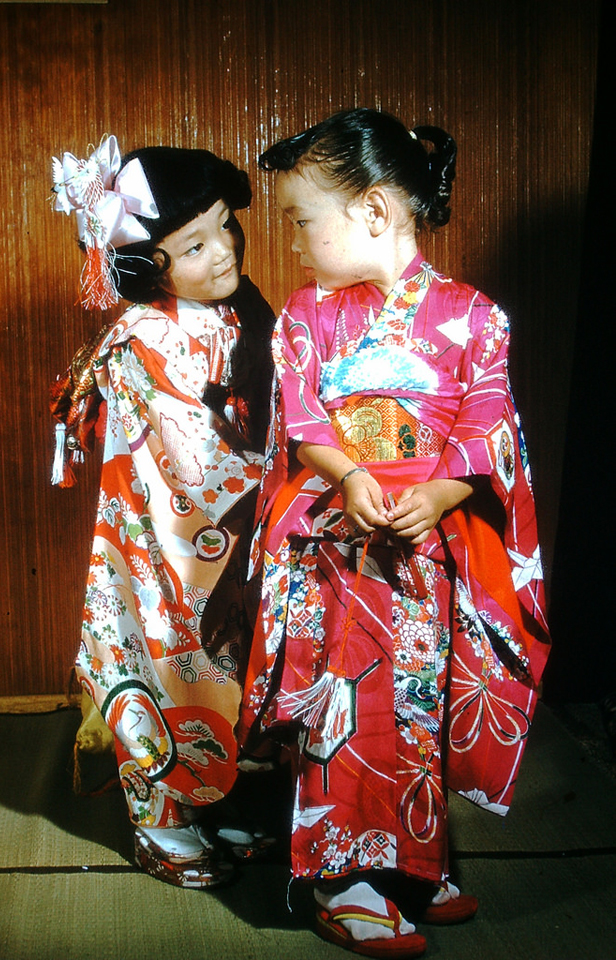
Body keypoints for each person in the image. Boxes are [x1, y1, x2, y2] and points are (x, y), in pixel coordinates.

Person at [239, 109, 550, 957]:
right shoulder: (304, 318)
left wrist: (446, 490)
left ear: (374, 212)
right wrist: (349, 474)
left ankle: (410, 858)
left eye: (304, 219)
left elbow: (490, 425)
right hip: (343, 551)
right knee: (348, 709)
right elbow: (303, 424)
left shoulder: (475, 318)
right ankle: (344, 880)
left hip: (425, 552)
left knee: (415, 703)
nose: (296, 241)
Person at [50, 136, 275, 887]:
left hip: (226, 541)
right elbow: (184, 452)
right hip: (159, 541)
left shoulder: (242, 312)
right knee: (159, 666)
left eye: (224, 228)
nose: (222, 253)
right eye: (194, 244)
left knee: (231, 670)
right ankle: (159, 820)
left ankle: (217, 800)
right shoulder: (141, 336)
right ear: (148, 264)